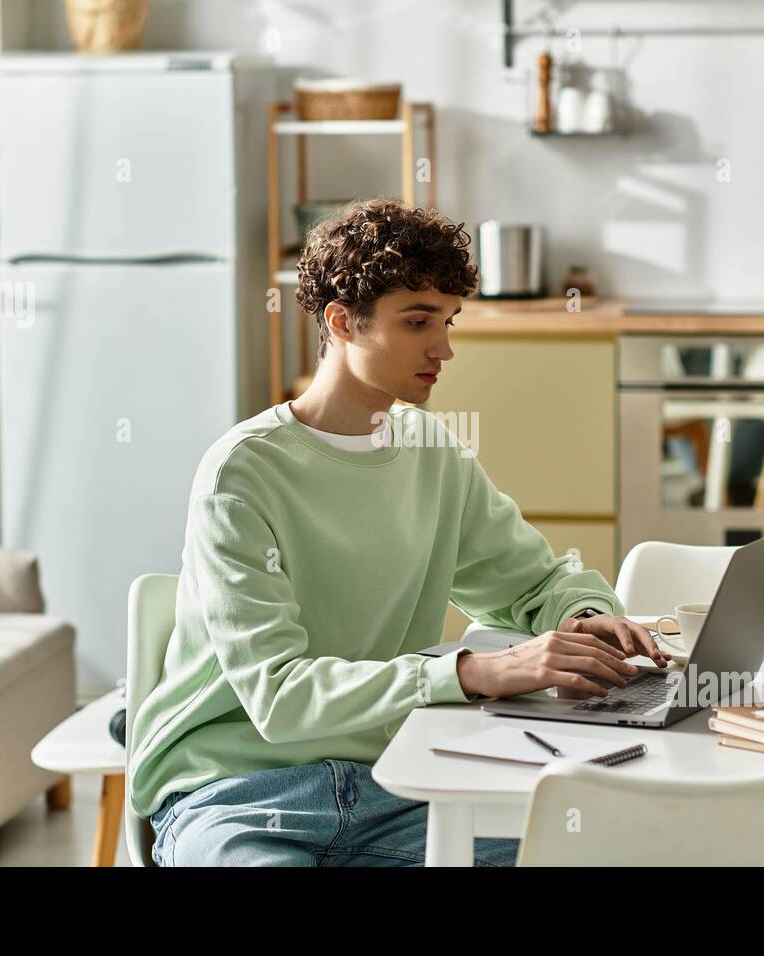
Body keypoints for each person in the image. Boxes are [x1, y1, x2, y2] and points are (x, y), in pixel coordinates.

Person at [126, 198, 671, 867]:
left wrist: (584, 618)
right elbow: (280, 698)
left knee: (597, 850)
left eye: (447, 321)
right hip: (238, 793)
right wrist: (473, 673)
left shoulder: (432, 453)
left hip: (398, 784)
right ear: (341, 322)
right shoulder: (243, 474)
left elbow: (532, 582)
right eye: (417, 322)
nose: (443, 349)